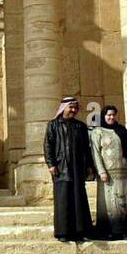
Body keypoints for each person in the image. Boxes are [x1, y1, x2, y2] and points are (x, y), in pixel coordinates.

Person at [44, 95, 94, 242]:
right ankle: (63, 232)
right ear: (63, 108)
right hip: (61, 168)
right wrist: (51, 164)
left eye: (75, 108)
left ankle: (81, 231)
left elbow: (86, 149)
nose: (73, 110)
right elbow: (48, 145)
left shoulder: (80, 126)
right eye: (70, 107)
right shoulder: (53, 125)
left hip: (77, 169)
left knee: (79, 199)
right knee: (63, 200)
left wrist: (89, 166)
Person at [89, 104, 127, 239]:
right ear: (104, 116)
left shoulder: (121, 130)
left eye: (113, 115)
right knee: (109, 204)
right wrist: (101, 171)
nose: (111, 117)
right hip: (107, 174)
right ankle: (109, 231)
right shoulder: (97, 132)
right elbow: (96, 153)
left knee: (122, 203)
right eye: (108, 115)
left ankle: (124, 230)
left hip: (122, 173)